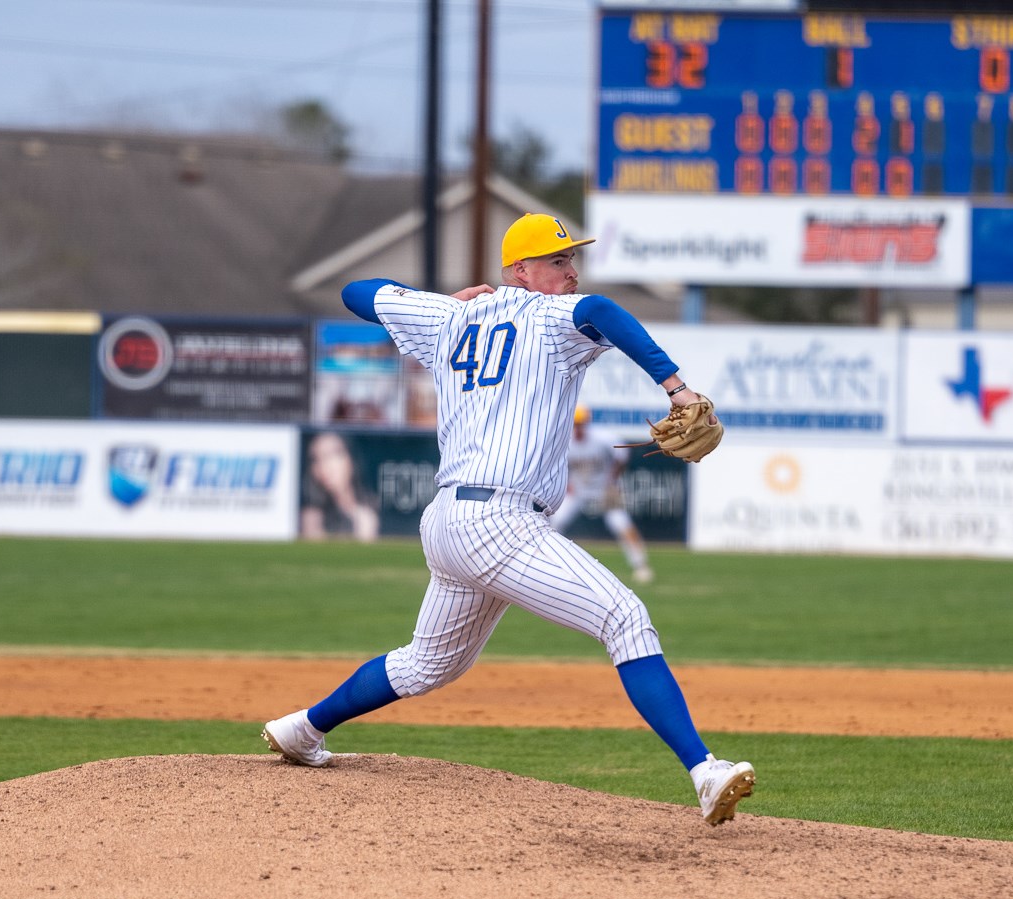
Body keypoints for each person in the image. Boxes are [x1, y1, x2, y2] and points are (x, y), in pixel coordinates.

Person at [261, 213, 755, 825]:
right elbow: (602, 311)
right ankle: (704, 771)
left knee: (426, 664)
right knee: (624, 615)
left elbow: (355, 293)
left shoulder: (449, 319)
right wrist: (676, 388)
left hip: (449, 521)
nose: (569, 270)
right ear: (518, 271)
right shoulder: (549, 316)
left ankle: (302, 728)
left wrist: (440, 303)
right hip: (497, 520)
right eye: (555, 261)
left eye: (571, 258)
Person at [552, 403, 654, 584]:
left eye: (581, 424)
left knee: (620, 523)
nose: (578, 428)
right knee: (555, 522)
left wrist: (612, 479)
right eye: (575, 424)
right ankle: (551, 565)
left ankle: (641, 565)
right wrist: (567, 483)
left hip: (603, 489)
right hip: (579, 490)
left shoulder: (602, 438)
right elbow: (556, 466)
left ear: (587, 422)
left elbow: (622, 456)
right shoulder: (563, 441)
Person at [299, 431, 380, 541]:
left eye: (332, 455)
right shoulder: (312, 516)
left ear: (351, 459)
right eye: (316, 459)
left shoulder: (368, 513)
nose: (324, 466)